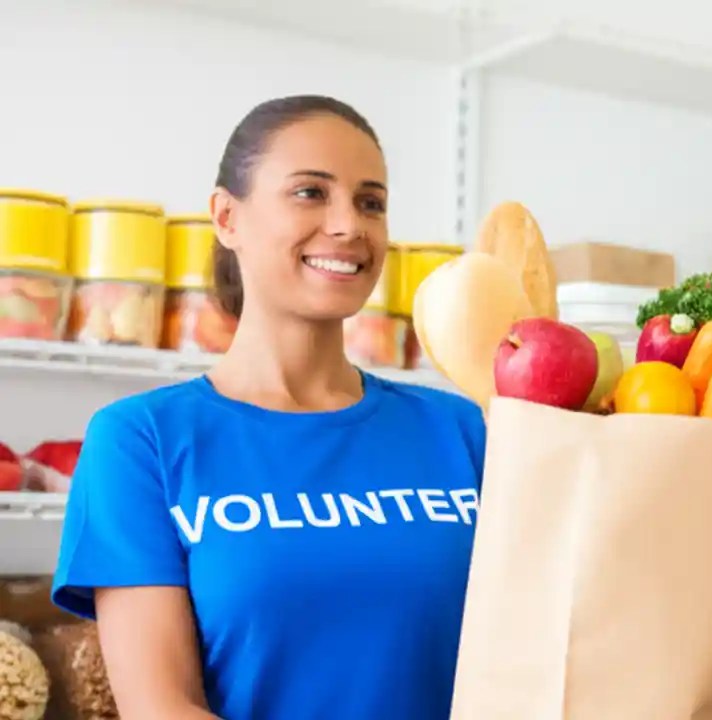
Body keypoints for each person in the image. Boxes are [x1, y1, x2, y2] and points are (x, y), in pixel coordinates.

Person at [51, 95, 486, 719]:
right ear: (227, 217)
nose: (348, 226)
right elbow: (162, 708)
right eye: (311, 192)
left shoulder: (460, 429)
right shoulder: (141, 440)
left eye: (371, 202)